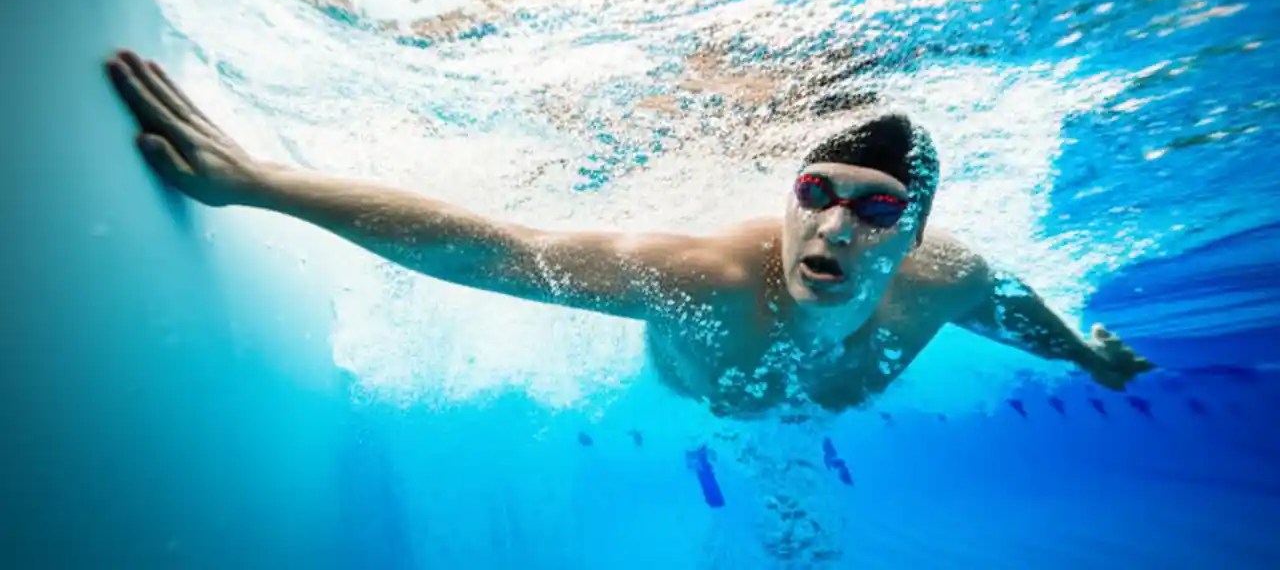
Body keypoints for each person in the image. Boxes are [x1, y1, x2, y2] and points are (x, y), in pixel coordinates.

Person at [105, 49, 1154, 417]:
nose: (834, 221)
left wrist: (1086, 356)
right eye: (816, 190)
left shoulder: (948, 276)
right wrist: (260, 183)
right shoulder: (697, 277)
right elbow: (491, 248)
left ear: (913, 230)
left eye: (874, 207)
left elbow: (1008, 312)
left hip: (800, 409)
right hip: (691, 390)